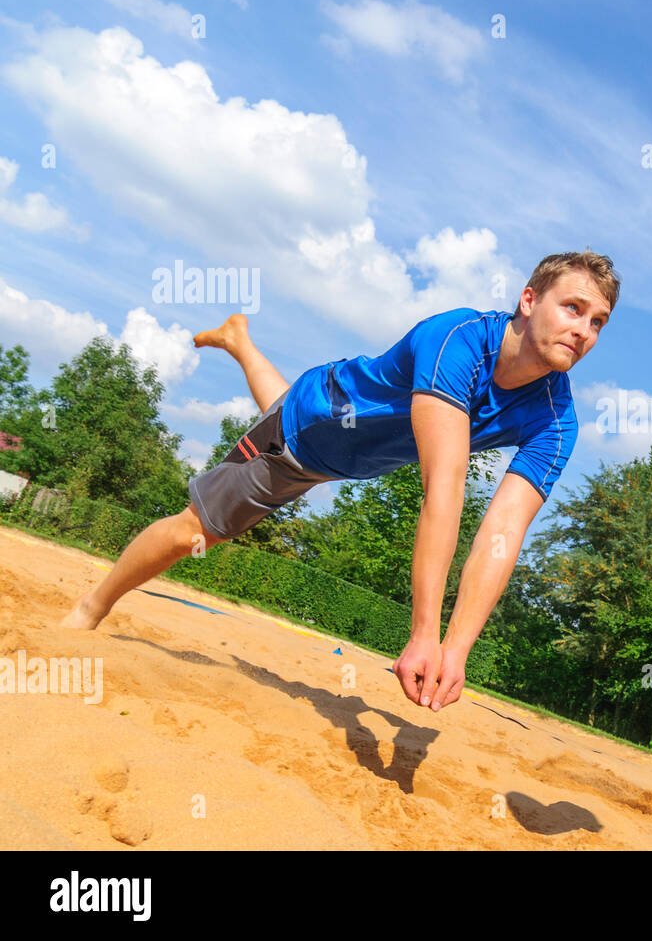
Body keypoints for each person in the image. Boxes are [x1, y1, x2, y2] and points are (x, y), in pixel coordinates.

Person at [59, 251, 619, 715]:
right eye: (573, 307)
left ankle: (239, 340)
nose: (584, 330)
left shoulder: (558, 418)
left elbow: (503, 532)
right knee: (198, 531)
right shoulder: (457, 340)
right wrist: (425, 633)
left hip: (348, 456)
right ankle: (91, 606)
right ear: (528, 300)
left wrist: (458, 646)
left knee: (303, 439)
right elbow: (443, 494)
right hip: (310, 423)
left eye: (598, 322)